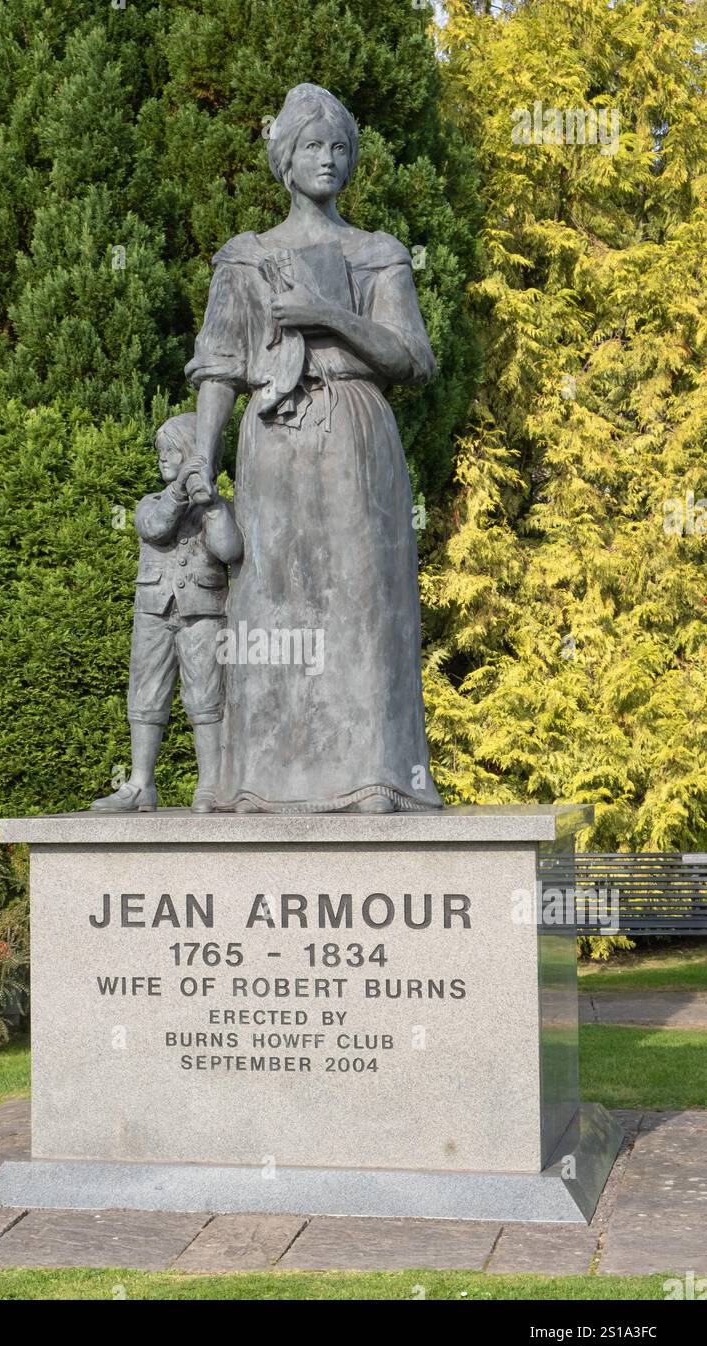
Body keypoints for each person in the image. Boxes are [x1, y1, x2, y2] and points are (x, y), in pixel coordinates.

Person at [183, 83, 443, 813]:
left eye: (338, 148)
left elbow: (412, 358)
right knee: (271, 603)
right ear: (284, 159)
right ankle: (264, 781)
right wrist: (204, 456)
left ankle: (375, 777)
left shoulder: (376, 252)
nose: (327, 160)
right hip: (272, 437)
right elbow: (220, 365)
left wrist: (328, 315)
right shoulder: (245, 258)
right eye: (310, 147)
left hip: (357, 434)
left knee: (362, 600)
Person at [91, 414, 242, 814]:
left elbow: (229, 551)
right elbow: (155, 529)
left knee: (206, 696)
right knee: (146, 694)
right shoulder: (152, 503)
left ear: (196, 456)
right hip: (154, 613)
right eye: (160, 453)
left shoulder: (222, 507)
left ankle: (211, 784)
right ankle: (141, 784)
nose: (161, 459)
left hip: (204, 614)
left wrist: (210, 505)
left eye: (171, 452)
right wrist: (178, 490)